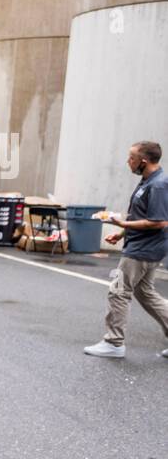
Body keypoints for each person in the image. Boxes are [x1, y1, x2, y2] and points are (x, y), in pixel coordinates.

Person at [85, 141, 168, 359]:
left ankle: (114, 342)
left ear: (143, 161)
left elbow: (159, 222)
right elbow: (141, 215)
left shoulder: (158, 185)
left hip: (142, 250)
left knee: (118, 291)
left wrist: (123, 225)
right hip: (143, 246)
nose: (127, 162)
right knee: (146, 293)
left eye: (131, 158)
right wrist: (122, 234)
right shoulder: (148, 180)